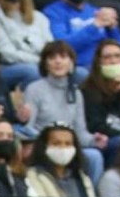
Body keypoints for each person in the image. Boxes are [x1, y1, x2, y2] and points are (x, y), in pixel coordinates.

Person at [22, 40, 104, 178]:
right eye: (52, 58)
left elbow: (80, 132)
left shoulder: (76, 93)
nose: (58, 61)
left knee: (94, 156)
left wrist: (93, 140)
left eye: (63, 57)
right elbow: (28, 128)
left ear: (71, 64)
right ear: (45, 64)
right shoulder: (34, 89)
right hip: (43, 143)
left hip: (69, 145)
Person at [42, 0, 120, 68]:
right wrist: (94, 26)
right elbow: (62, 47)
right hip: (74, 68)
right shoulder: (53, 12)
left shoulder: (96, 12)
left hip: (102, 67)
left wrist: (113, 29)